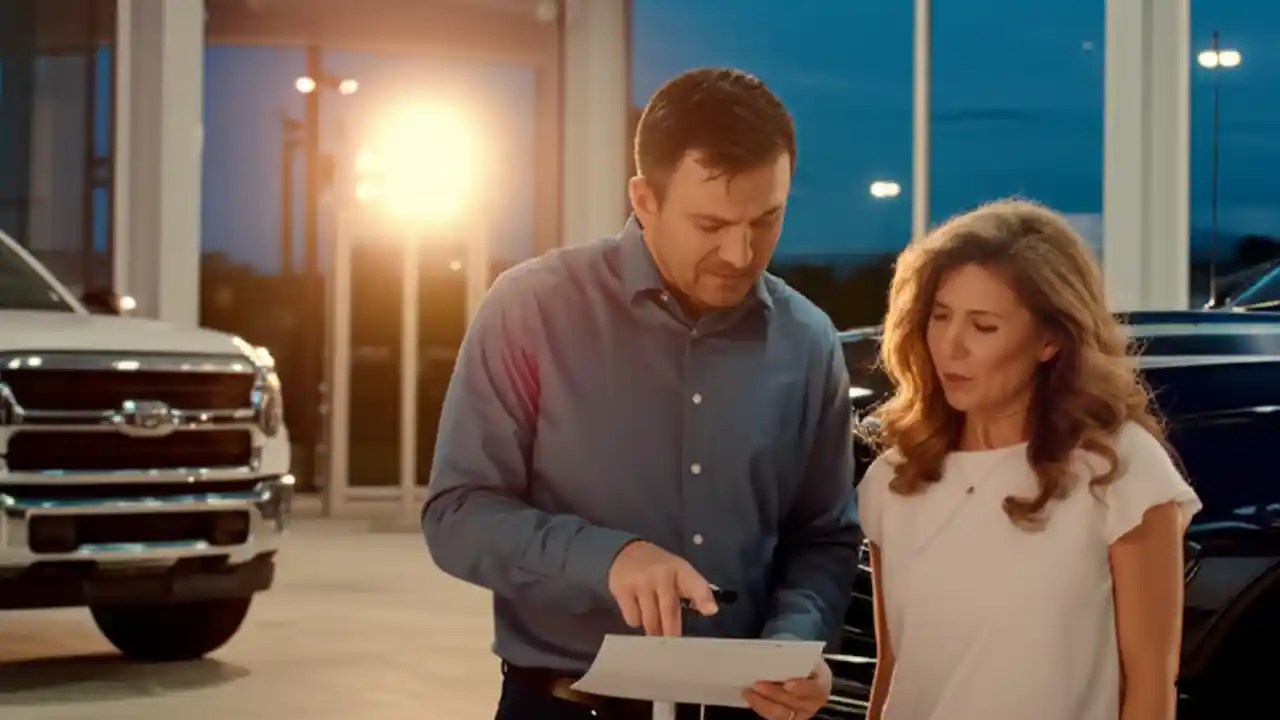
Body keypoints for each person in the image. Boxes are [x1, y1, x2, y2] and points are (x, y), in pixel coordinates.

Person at [422, 67, 860, 720]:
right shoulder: (532, 310)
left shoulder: (808, 342)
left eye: (766, 220)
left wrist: (797, 642)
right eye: (711, 224)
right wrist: (607, 558)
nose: (741, 254)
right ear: (644, 199)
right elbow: (457, 515)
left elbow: (823, 538)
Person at [856, 199, 1203, 720]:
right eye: (940, 316)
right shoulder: (895, 478)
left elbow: (1152, 686)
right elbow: (893, 672)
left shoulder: (1121, 470)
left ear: (1049, 340)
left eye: (984, 326)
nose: (950, 345)